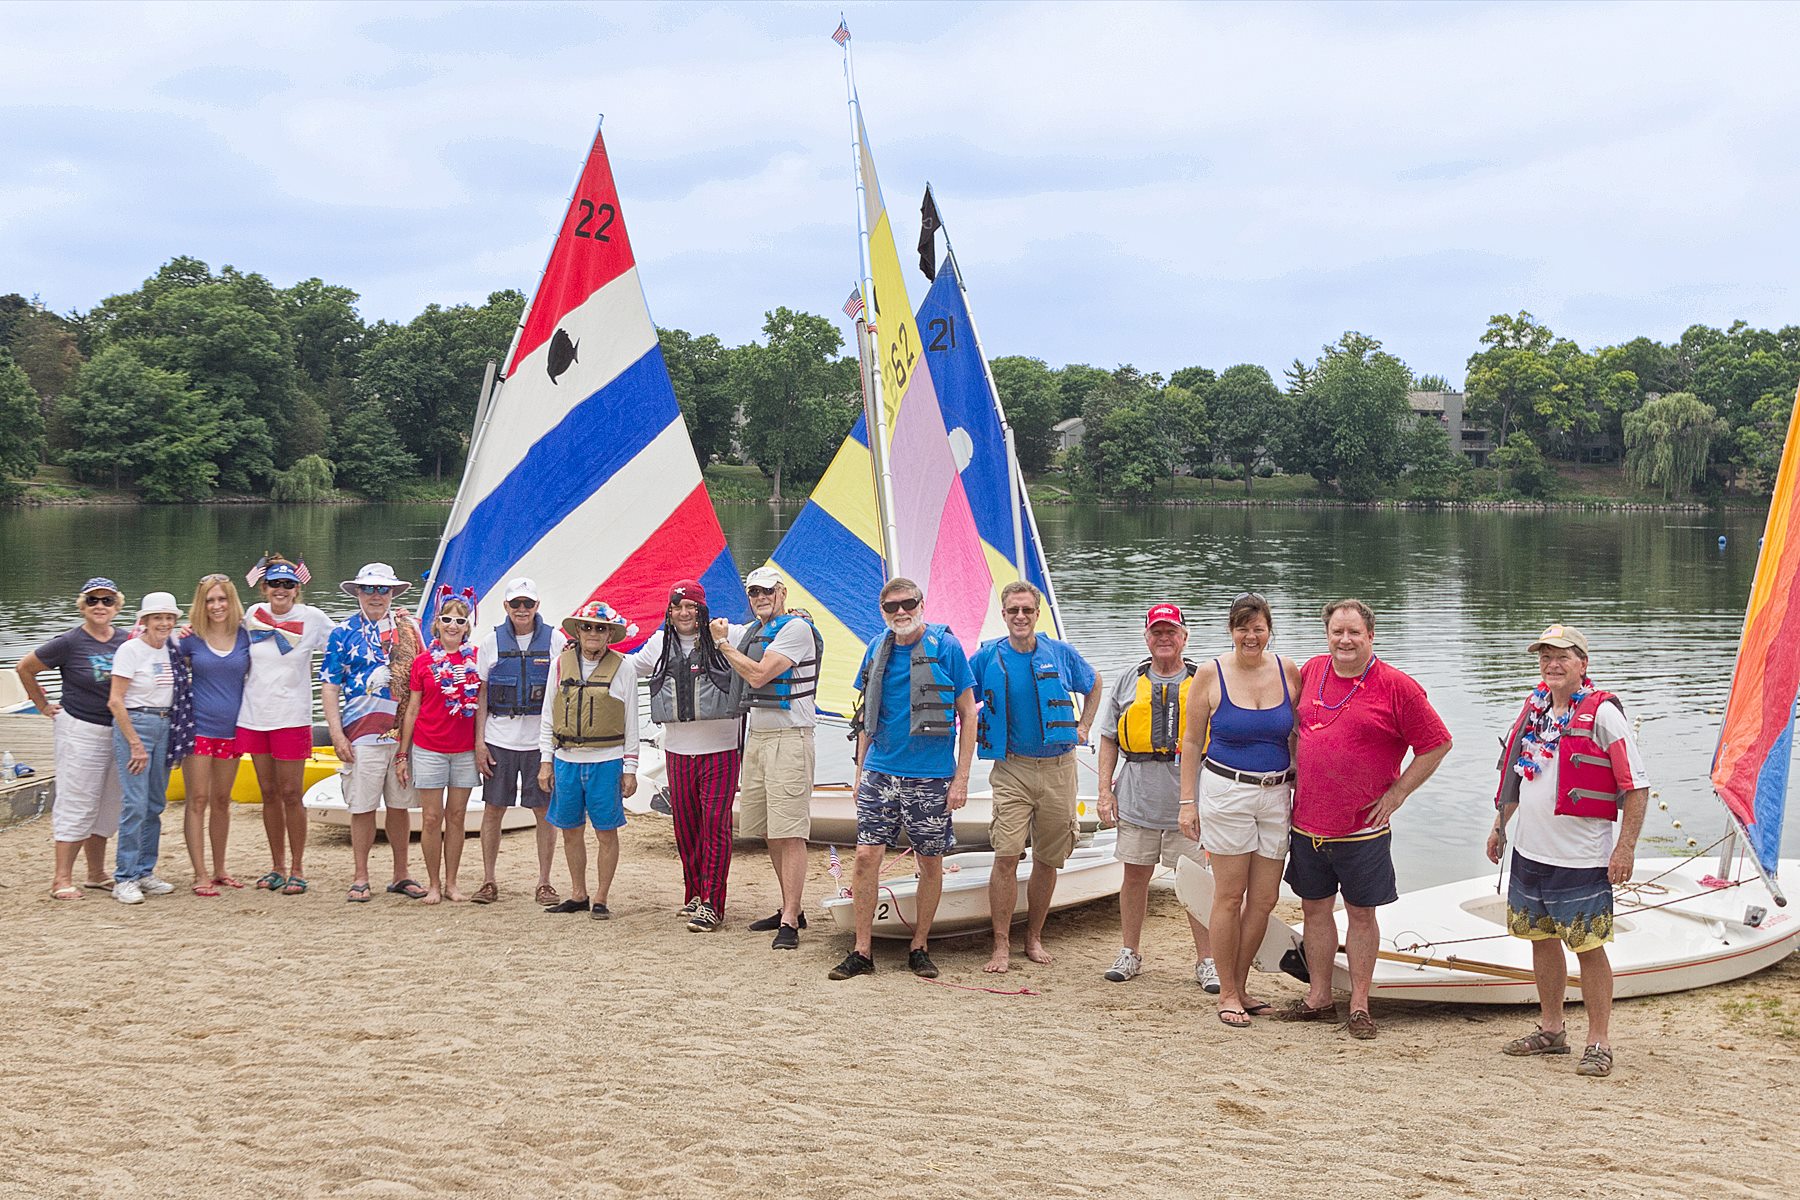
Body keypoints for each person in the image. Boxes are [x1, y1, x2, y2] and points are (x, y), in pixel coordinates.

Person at [1279, 599, 1452, 1039]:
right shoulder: (1313, 671)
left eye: (1354, 632)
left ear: (1370, 635)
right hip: (1308, 824)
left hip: (1363, 828)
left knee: (1360, 914)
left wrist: (1398, 793)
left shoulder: (1397, 686)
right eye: (1337, 631)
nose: (1345, 640)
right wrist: (1297, 767)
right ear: (1327, 635)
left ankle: (1358, 1004)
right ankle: (1319, 997)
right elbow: (1296, 728)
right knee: (1314, 910)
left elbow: (1436, 744)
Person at [1489, 623, 1649, 1079]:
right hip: (1531, 853)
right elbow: (1518, 776)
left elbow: (1635, 787)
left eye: (1563, 656)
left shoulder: (1604, 716)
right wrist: (1499, 825)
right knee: (1540, 940)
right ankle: (1552, 1030)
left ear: (1583, 664)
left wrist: (1625, 849)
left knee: (1589, 947)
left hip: (1582, 858)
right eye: (1545, 657)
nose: (1552, 665)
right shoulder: (1535, 710)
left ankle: (1598, 1041)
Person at [831, 577, 977, 981]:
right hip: (880, 770)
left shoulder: (946, 647)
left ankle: (920, 946)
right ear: (882, 611)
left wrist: (961, 778)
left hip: (931, 776)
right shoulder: (876, 648)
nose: (900, 612)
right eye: (892, 606)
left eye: (907, 603)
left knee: (929, 861)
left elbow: (969, 713)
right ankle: (862, 950)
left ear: (921, 603)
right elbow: (865, 716)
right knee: (865, 857)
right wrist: (859, 772)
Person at [1178, 593, 1302, 1027]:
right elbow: (1192, 742)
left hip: (1276, 794)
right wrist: (1187, 803)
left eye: (1258, 627)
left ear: (1270, 630)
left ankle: (1242, 984)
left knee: (1265, 898)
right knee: (1230, 895)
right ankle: (1227, 992)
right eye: (1242, 627)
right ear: (1231, 631)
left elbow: (1299, 737)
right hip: (1225, 793)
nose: (1251, 636)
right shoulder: (1211, 673)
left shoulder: (1288, 671)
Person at [971, 581, 1102, 974]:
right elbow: (961, 694)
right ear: (1004, 614)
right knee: (1006, 854)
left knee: (1049, 858)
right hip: (1012, 768)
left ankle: (1033, 937)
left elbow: (1094, 683)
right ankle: (1000, 945)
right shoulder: (987, 657)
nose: (1020, 617)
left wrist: (1084, 727)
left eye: (1027, 610)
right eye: (1013, 610)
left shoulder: (1059, 653)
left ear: (1037, 613)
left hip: (1060, 768)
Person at [1094, 603, 1216, 991]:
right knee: (1134, 877)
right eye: (1157, 632)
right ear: (1147, 637)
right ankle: (1130, 952)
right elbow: (1110, 737)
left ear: (1184, 637)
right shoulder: (1129, 679)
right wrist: (1103, 791)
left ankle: (1207, 960)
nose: (1164, 639)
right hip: (1136, 796)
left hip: (1189, 800)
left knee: (1197, 881)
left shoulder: (1204, 679)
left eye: (1171, 632)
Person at [710, 564, 822, 950]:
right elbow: (705, 630)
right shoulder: (755, 631)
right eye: (754, 593)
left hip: (790, 737)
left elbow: (759, 676)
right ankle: (790, 905)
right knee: (768, 828)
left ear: (783, 592)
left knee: (790, 831)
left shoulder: (795, 628)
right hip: (758, 736)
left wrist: (723, 645)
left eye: (767, 591)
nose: (760, 598)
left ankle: (790, 918)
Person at [634, 579, 741, 932]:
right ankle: (694, 893)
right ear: (670, 611)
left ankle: (713, 903)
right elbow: (628, 668)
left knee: (715, 826)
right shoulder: (659, 646)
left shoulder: (726, 636)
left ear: (702, 609)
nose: (684, 613)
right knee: (686, 827)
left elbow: (763, 636)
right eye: (678, 607)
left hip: (721, 750)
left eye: (691, 607)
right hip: (677, 751)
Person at [17, 577, 130, 900]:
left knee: (109, 803)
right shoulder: (68, 642)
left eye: (107, 601)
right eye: (93, 600)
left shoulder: (126, 640)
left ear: (117, 606)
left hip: (118, 730)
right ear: (82, 605)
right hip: (80, 729)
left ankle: (96, 873)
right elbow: (25, 668)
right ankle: (61, 877)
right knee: (77, 801)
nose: (100, 606)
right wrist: (41, 704)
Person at [320, 563, 423, 904]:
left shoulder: (409, 630)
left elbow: (425, 675)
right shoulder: (342, 632)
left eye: (383, 590)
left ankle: (401, 874)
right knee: (362, 806)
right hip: (360, 733)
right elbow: (331, 687)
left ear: (393, 594)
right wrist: (336, 735)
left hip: (401, 735)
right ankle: (361, 876)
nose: (377, 596)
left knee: (399, 805)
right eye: (370, 589)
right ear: (358, 593)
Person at [238, 554, 334, 896]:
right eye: (275, 584)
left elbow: (339, 651)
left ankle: (297, 868)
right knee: (268, 794)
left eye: (288, 584)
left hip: (292, 717)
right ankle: (276, 865)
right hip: (254, 716)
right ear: (264, 587)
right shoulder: (251, 616)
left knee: (292, 793)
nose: (281, 590)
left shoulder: (314, 618)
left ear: (297, 589)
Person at [537, 600, 639, 918]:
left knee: (606, 831)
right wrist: (545, 760)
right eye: (587, 627)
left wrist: (630, 768)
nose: (593, 633)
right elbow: (548, 717)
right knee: (570, 830)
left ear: (609, 634)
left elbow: (632, 723)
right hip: (566, 760)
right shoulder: (559, 664)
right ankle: (578, 893)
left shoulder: (625, 668)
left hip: (607, 761)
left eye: (600, 628)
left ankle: (601, 898)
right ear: (578, 631)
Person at [472, 577, 560, 906]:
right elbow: (481, 696)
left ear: (537, 606)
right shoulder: (490, 643)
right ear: (506, 606)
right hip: (499, 739)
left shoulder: (555, 641)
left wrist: (556, 746)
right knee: (493, 809)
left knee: (543, 811)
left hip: (539, 742)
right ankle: (488, 880)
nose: (522, 610)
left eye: (528, 604)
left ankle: (544, 882)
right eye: (516, 604)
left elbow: (562, 692)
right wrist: (479, 744)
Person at [397, 587, 482, 904]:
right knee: (432, 818)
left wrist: (481, 745)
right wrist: (403, 755)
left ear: (466, 627)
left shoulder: (476, 660)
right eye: (447, 619)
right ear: (437, 623)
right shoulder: (422, 663)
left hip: (464, 751)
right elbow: (413, 710)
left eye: (460, 620)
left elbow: (482, 706)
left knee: (457, 816)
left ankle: (452, 882)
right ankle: (433, 883)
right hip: (429, 748)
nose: (453, 625)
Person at [173, 573, 251, 896]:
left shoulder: (247, 636)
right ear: (201, 604)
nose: (216, 606)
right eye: (210, 600)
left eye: (221, 599)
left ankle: (220, 869)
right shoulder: (190, 639)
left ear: (231, 601)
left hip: (232, 730)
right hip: (199, 728)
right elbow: (154, 652)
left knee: (222, 800)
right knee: (198, 800)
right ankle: (200, 873)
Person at [106, 592, 184, 904]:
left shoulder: (173, 648)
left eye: (169, 618)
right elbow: (115, 700)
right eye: (157, 618)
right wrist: (135, 743)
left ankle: (144, 869)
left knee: (154, 803)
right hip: (136, 724)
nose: (164, 623)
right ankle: (123, 877)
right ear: (145, 621)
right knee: (135, 804)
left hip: (165, 724)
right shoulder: (130, 650)